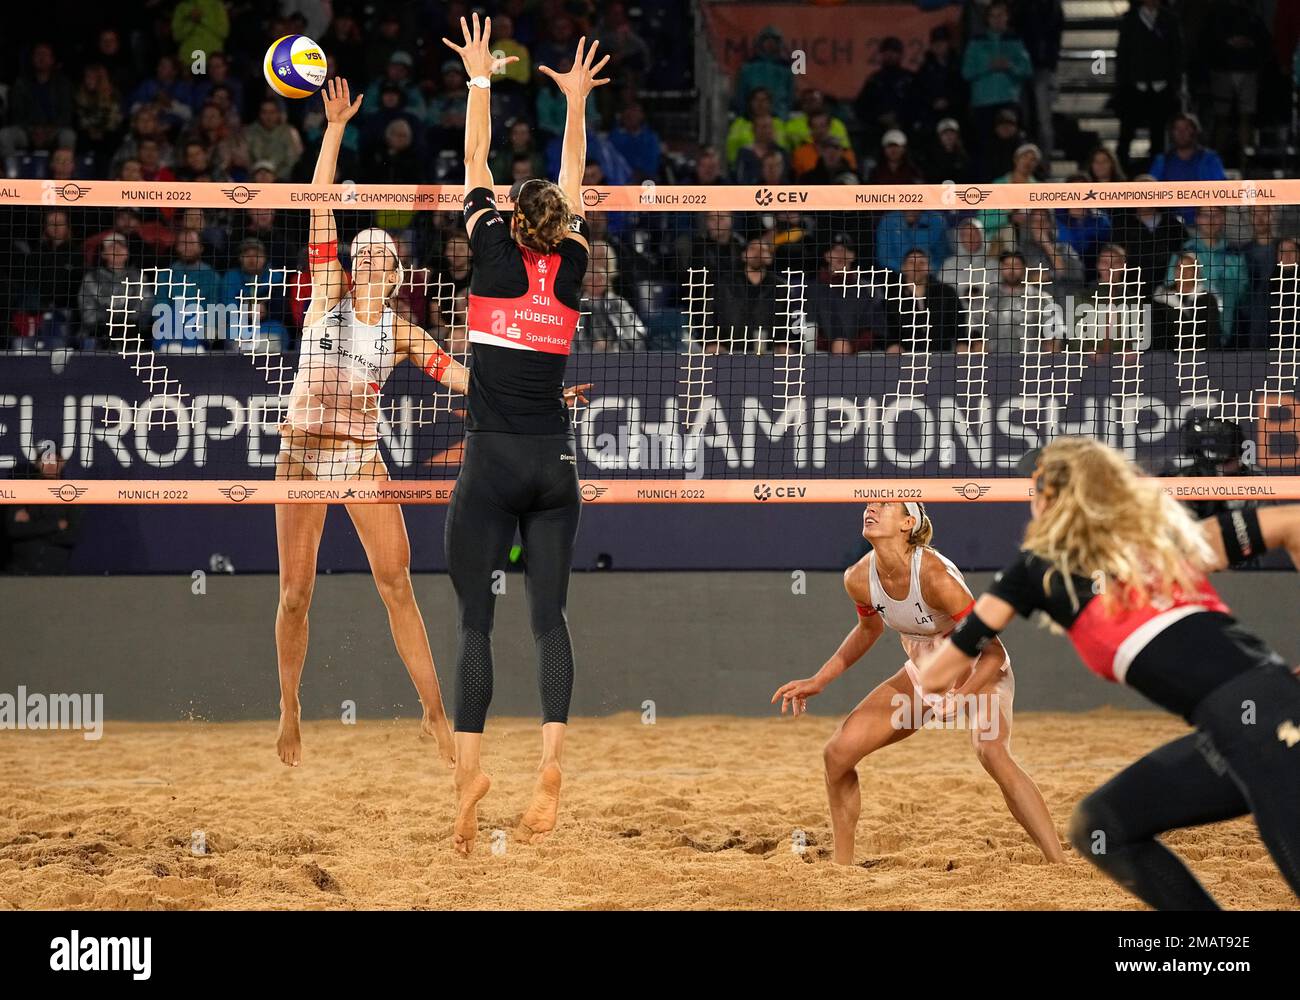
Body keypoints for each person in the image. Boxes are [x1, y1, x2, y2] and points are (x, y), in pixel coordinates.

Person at [918, 439, 1300, 910]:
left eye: (1035, 490)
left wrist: (933, 644)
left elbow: (936, 677)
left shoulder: (1039, 568)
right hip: (1240, 729)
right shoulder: (1159, 541)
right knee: (1101, 826)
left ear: (1053, 495)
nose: (1031, 501)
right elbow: (1291, 524)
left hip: (1269, 726)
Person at [441, 16, 600, 854]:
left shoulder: (493, 255)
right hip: (555, 467)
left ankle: (470, 777)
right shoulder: (570, 267)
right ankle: (550, 763)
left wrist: (479, 79)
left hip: (491, 463)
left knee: (474, 624)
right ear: (562, 225)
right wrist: (573, 102)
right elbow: (569, 181)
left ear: (512, 217)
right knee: (550, 621)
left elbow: (474, 162)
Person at [275, 79, 466, 771]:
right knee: (296, 594)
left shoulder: (404, 332)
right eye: (361, 254)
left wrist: (527, 388)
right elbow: (320, 202)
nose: (367, 261)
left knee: (396, 584)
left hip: (359, 457)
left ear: (394, 272)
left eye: (379, 257)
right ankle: (291, 708)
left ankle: (435, 714)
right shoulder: (326, 292)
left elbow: (458, 374)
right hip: (299, 451)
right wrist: (331, 130)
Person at [772, 502, 1064, 865]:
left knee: (992, 752)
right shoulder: (858, 578)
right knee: (837, 754)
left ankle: (1059, 863)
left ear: (908, 523)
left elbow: (992, 652)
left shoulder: (935, 576)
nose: (871, 507)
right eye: (869, 503)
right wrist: (820, 679)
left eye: (884, 504)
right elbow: (868, 630)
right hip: (926, 671)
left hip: (976, 668)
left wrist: (961, 697)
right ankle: (841, 868)